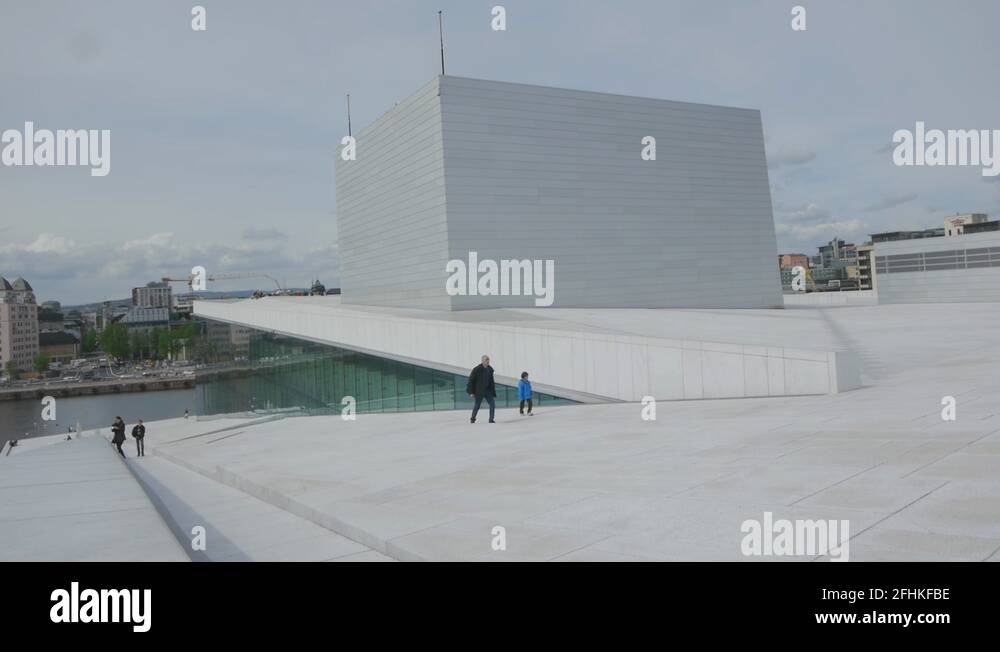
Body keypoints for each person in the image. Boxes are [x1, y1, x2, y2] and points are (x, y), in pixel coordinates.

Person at [466, 355, 497, 424]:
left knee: (492, 404)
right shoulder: (477, 369)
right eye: (486, 360)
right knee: (477, 405)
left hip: (488, 390)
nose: (487, 361)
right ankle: (473, 419)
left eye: (488, 360)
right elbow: (471, 381)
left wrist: (493, 392)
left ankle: (491, 419)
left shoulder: (490, 369)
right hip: (479, 390)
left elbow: (492, 382)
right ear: (482, 361)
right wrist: (471, 392)